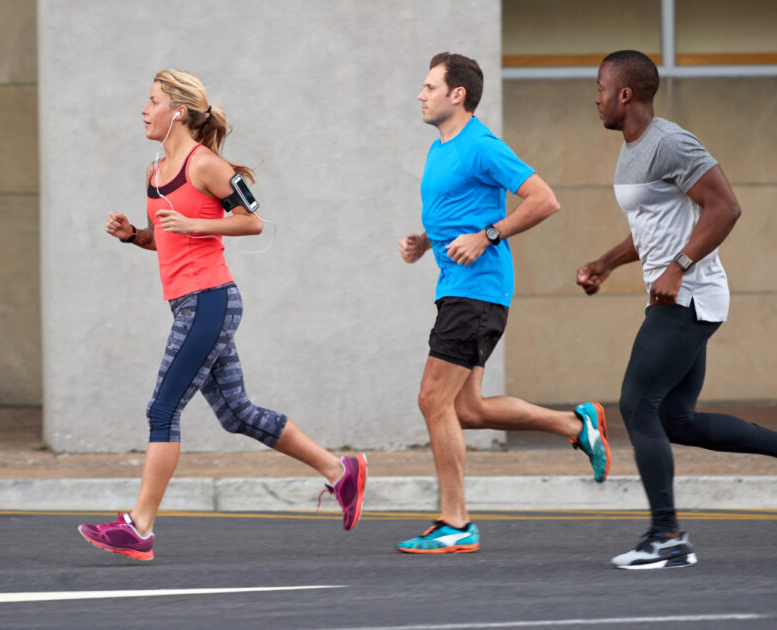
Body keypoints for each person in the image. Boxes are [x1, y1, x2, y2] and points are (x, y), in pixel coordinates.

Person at [78, 69, 366, 561]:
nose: (144, 110)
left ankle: (139, 527)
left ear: (179, 113)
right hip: (189, 304)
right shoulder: (154, 172)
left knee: (162, 410)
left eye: (152, 102)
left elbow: (253, 221)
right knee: (236, 413)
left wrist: (194, 221)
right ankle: (341, 472)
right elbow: (164, 239)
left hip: (209, 302)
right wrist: (132, 235)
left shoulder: (204, 164)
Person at [577, 50, 777, 570]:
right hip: (682, 297)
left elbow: (726, 206)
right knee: (676, 420)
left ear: (625, 94)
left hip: (687, 298)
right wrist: (607, 261)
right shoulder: (633, 150)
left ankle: (667, 537)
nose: (596, 97)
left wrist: (679, 264)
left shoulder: (670, 142)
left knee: (635, 406)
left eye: (601, 87)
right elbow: (652, 223)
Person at [395, 52, 611, 555]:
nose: (420, 94)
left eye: (429, 86)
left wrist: (487, 235)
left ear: (458, 95)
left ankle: (457, 522)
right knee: (465, 409)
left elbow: (544, 199)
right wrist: (425, 241)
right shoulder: (439, 149)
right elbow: (454, 210)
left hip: (478, 290)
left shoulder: (482, 145)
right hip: (458, 288)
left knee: (432, 400)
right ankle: (575, 425)